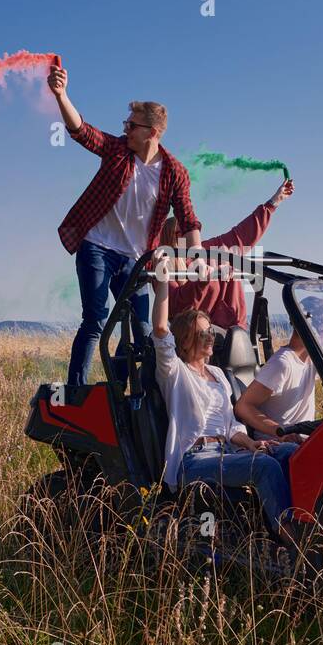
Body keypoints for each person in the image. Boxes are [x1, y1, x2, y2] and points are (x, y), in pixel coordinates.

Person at [48, 61, 203, 385]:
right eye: (126, 124)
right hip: (98, 248)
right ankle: (76, 391)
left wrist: (198, 255)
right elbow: (83, 132)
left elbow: (188, 217)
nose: (125, 130)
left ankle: (117, 391)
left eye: (132, 126)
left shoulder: (174, 172)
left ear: (153, 132)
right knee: (95, 320)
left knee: (141, 328)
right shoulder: (118, 151)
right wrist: (61, 94)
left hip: (135, 259)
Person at [150, 255, 302, 543]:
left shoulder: (219, 374)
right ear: (184, 340)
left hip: (227, 453)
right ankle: (292, 541)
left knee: (286, 453)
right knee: (265, 467)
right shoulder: (174, 372)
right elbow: (160, 330)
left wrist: (255, 443)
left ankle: (311, 524)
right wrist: (161, 283)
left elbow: (232, 426)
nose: (210, 336)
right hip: (193, 460)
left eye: (211, 331)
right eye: (202, 332)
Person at [160, 178, 295, 331]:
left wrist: (274, 202)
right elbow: (175, 306)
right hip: (196, 337)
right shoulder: (165, 263)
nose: (193, 234)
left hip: (235, 332)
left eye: (195, 230)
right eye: (185, 231)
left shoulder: (210, 249)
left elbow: (242, 234)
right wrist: (202, 281)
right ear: (171, 236)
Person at [235, 296, 323, 441]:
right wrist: (282, 433)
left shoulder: (312, 359)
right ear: (313, 330)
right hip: (278, 444)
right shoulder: (282, 364)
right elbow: (243, 407)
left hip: (304, 440)